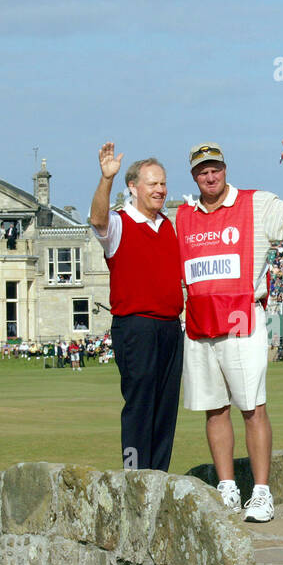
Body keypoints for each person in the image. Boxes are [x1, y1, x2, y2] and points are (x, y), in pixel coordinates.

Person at [176, 138, 283, 523]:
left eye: (215, 168)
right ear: (194, 176)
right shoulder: (183, 216)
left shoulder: (254, 203)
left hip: (242, 319)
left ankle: (262, 492)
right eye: (202, 171)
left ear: (225, 169)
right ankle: (227, 489)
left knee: (252, 407)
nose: (210, 176)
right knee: (214, 408)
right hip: (200, 324)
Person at [90, 142, 183, 472]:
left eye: (163, 183)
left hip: (171, 327)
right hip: (136, 327)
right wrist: (106, 179)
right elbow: (97, 218)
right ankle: (134, 476)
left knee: (165, 408)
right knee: (140, 406)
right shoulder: (119, 223)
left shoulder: (169, 225)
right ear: (134, 187)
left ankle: (158, 478)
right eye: (153, 183)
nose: (160, 190)